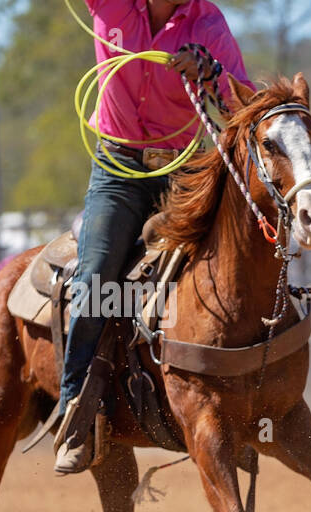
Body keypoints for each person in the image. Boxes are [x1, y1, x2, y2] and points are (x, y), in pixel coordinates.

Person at [54, 0, 251, 475]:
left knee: (226, 270)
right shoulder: (111, 6)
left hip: (182, 170)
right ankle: (75, 406)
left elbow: (239, 104)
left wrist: (209, 71)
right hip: (117, 169)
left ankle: (243, 396)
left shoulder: (209, 23)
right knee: (97, 274)